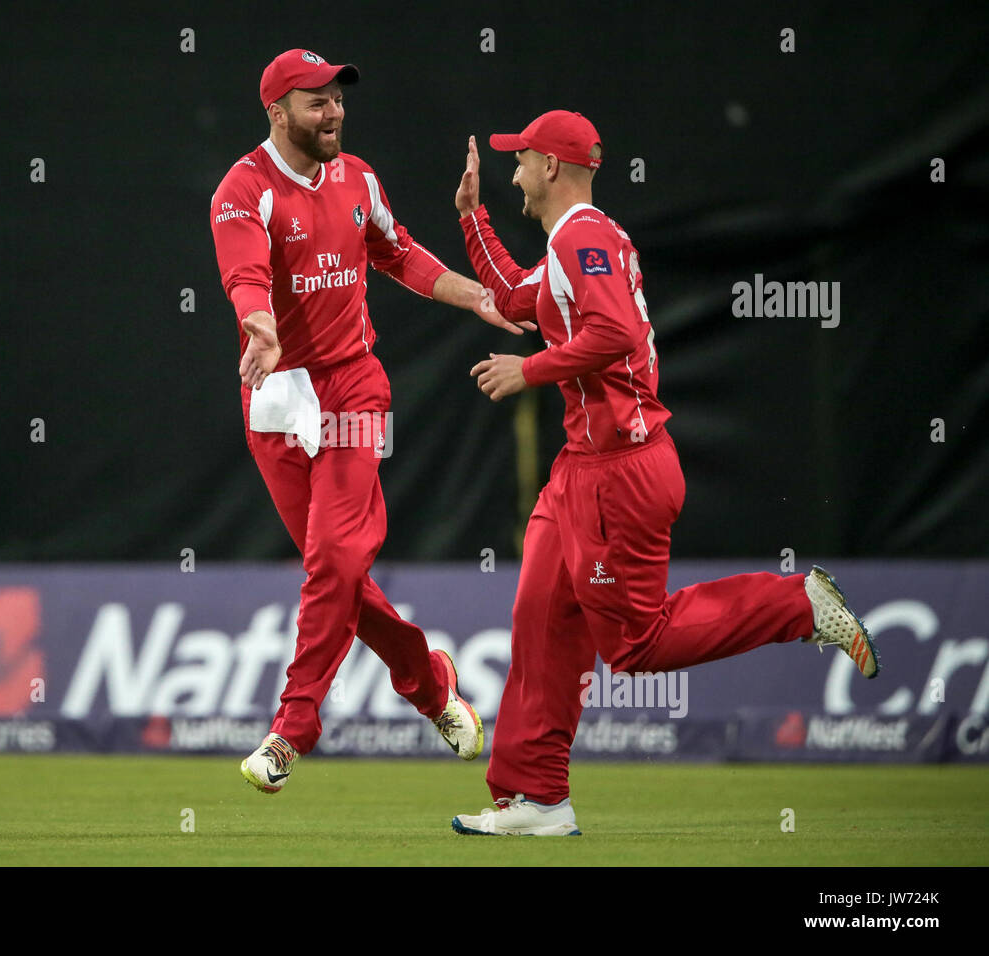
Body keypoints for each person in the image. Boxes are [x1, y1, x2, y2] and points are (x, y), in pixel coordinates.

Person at [449, 110, 879, 836]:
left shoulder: (583, 235)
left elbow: (612, 333)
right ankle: (538, 799)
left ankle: (797, 607)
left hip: (622, 471)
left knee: (635, 644)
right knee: (540, 614)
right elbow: (514, 300)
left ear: (553, 167)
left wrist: (531, 372)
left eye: (519, 159)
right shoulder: (577, 239)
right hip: (584, 464)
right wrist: (473, 219)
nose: (512, 170)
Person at [210, 49, 528, 793]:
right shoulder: (242, 188)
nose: (335, 112)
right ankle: (430, 682)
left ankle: (291, 732)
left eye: (338, 99)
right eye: (316, 102)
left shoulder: (359, 180)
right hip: (277, 403)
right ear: (277, 112)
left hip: (356, 390)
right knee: (341, 573)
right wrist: (258, 324)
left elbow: (399, 253)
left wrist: (471, 296)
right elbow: (245, 271)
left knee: (335, 562)